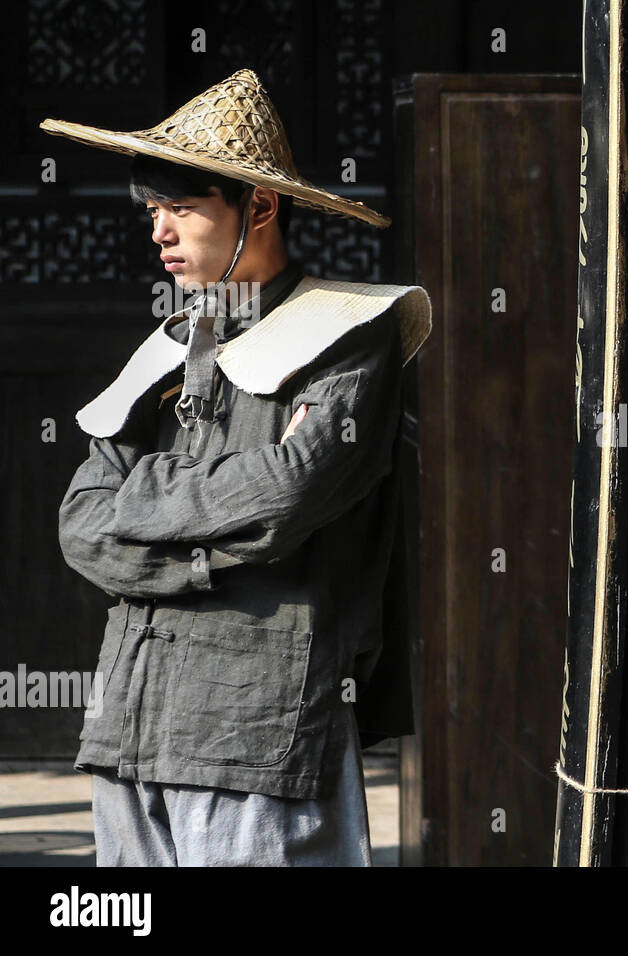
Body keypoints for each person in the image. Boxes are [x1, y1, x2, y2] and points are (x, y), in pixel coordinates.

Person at [43, 69, 431, 865]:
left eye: (183, 208)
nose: (160, 233)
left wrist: (145, 500)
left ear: (259, 204)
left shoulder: (349, 337)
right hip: (129, 722)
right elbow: (81, 523)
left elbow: (288, 498)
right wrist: (211, 549)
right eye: (154, 211)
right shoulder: (165, 349)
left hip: (259, 724)